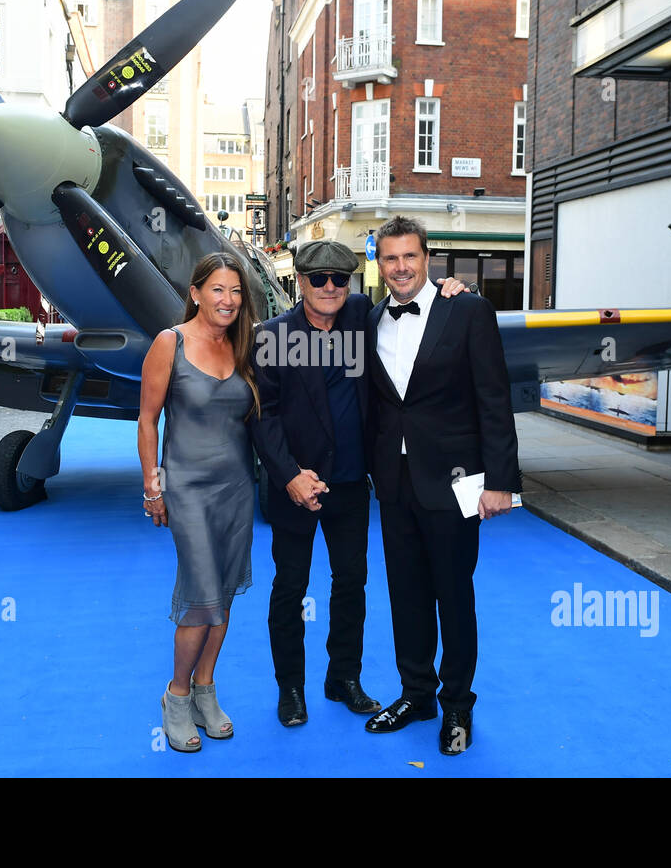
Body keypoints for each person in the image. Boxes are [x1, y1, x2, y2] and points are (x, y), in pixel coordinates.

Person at [251, 240, 467, 728]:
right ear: (299, 281)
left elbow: (418, 305)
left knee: (352, 584)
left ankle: (343, 677)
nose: (330, 287)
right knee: (290, 588)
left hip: (350, 483)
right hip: (296, 488)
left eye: (339, 278)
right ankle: (290, 688)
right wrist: (288, 475)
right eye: (318, 278)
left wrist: (454, 289)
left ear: (350, 283)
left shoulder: (360, 317)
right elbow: (265, 416)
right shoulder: (272, 337)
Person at [364, 216, 519, 756]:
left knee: (453, 597)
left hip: (457, 483)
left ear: (427, 258)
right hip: (394, 482)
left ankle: (457, 705)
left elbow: (494, 401)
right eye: (390, 258)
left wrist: (501, 483)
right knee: (406, 595)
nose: (401, 267)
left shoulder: (468, 310)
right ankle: (416, 695)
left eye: (410, 256)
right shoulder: (370, 319)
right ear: (378, 263)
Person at [138, 250, 260, 753]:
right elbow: (147, 420)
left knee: (225, 593)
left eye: (235, 291)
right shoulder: (170, 343)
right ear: (195, 292)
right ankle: (177, 695)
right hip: (186, 489)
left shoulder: (245, 344)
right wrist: (153, 485)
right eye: (217, 289)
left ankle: (207, 689)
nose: (228, 300)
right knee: (201, 598)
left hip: (237, 489)